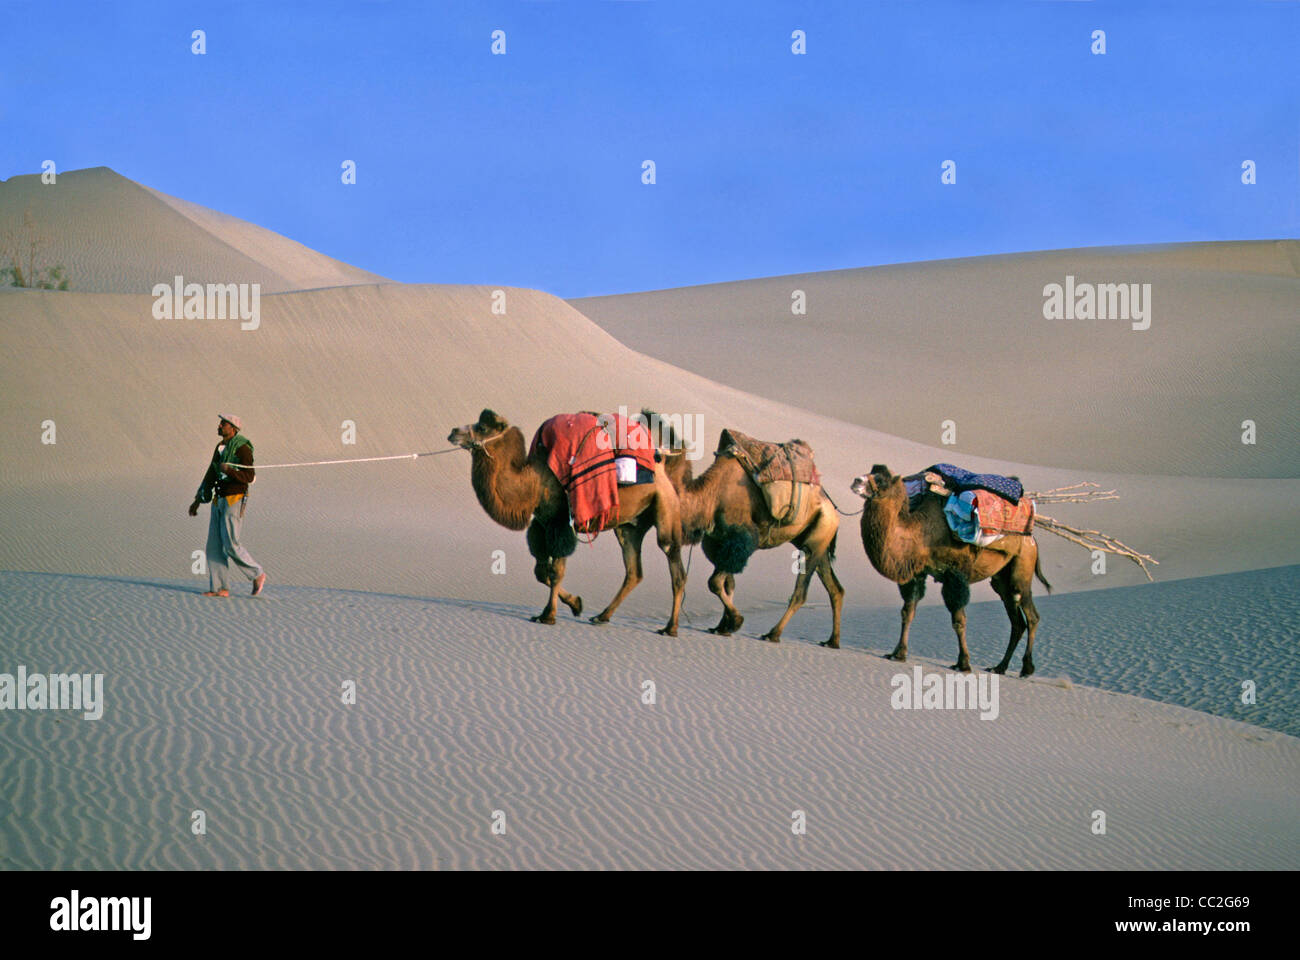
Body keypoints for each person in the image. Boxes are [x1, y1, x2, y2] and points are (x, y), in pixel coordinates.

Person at [188, 414, 267, 597]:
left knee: (231, 542)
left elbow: (249, 477)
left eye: (223, 423)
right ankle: (220, 588)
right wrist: (198, 500)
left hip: (235, 498)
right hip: (219, 498)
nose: (219, 425)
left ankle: (257, 574)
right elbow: (211, 473)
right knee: (214, 545)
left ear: (233, 428)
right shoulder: (220, 447)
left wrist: (229, 470)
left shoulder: (243, 447)